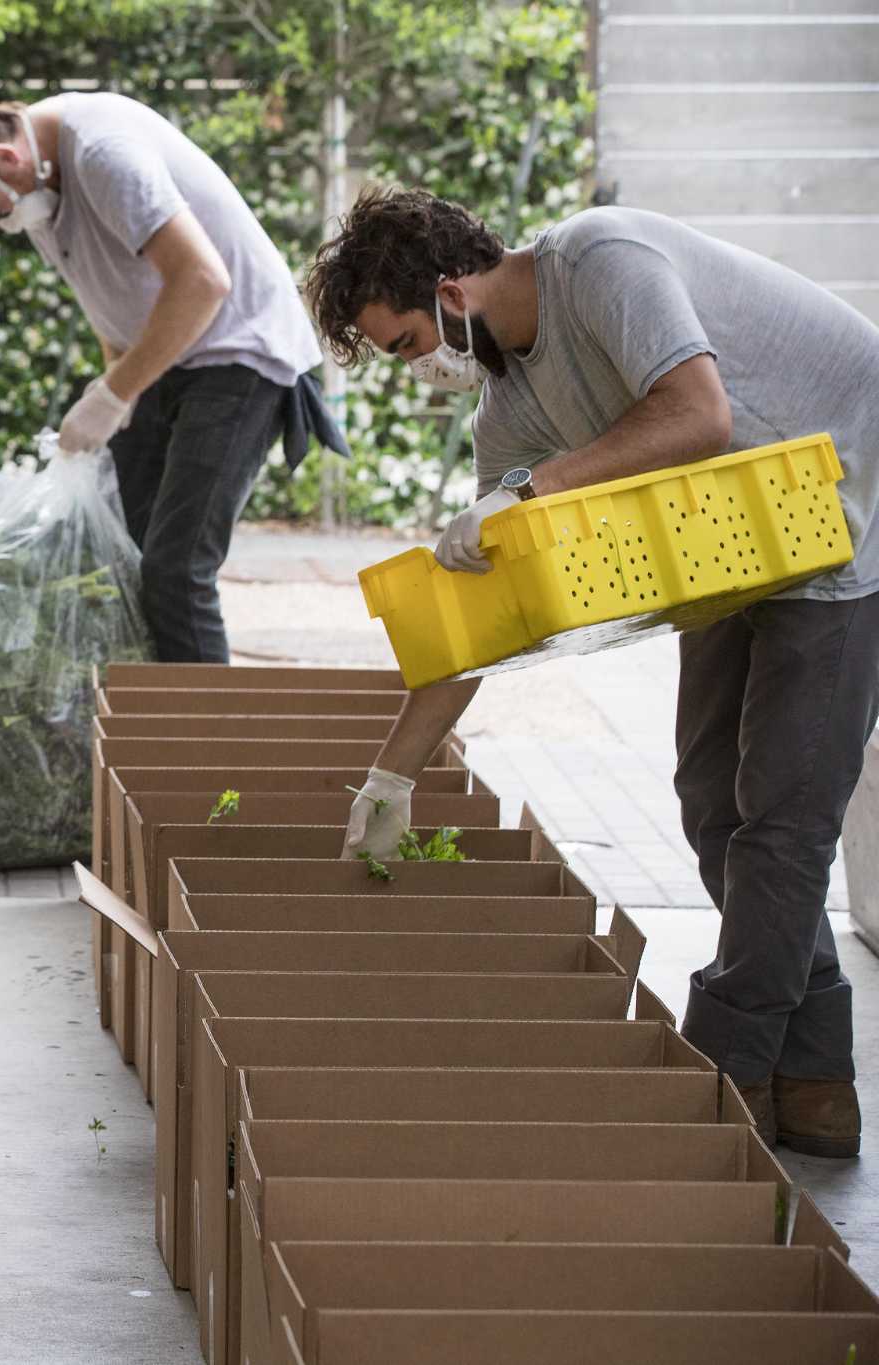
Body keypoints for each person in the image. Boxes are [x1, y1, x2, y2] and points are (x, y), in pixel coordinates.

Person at [306, 186, 879, 1157]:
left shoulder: (600, 257)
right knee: (712, 800)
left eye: (406, 344)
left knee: (785, 816)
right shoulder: (508, 410)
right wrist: (391, 774)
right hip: (745, 535)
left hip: (848, 498)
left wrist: (533, 490)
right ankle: (818, 1083)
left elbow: (697, 414)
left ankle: (725, 1076)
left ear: (450, 293)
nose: (417, 371)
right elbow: (484, 613)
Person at [0, 93, 348, 663]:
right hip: (166, 355)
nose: (8, 225)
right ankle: (134, 711)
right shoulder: (36, 183)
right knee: (117, 551)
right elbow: (103, 292)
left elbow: (203, 280)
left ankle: (204, 722)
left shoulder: (104, 152)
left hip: (242, 351)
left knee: (176, 570)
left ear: (5, 158)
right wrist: (114, 381)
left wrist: (114, 394)